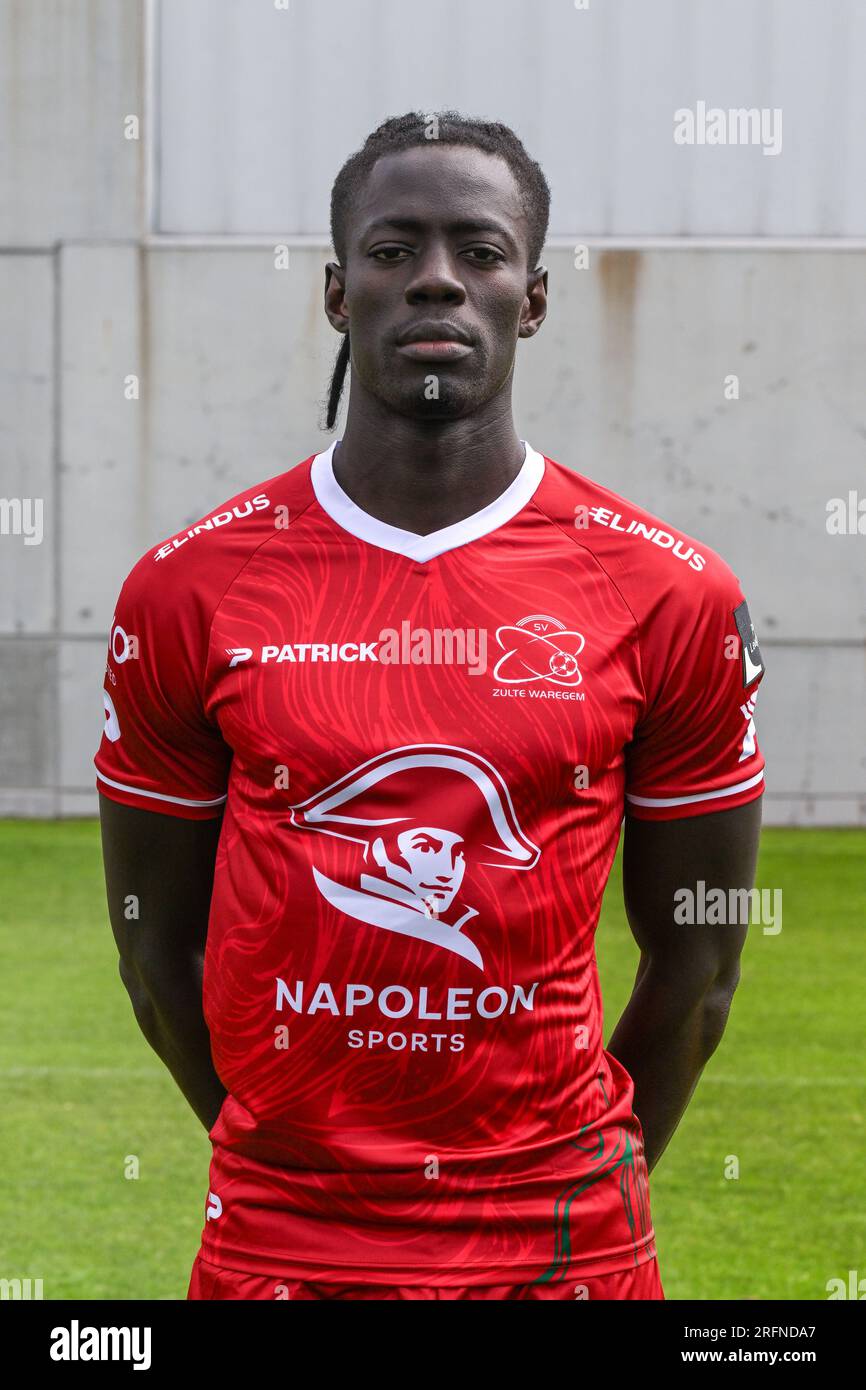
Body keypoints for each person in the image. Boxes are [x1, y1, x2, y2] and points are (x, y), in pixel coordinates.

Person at [96, 111, 766, 1301]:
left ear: (534, 295)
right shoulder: (190, 585)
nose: (438, 280)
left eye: (480, 251)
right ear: (336, 293)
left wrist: (575, 1175)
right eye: (395, 250)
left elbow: (699, 956)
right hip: (281, 1240)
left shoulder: (667, 588)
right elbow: (157, 947)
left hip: (567, 1243)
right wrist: (286, 1154)